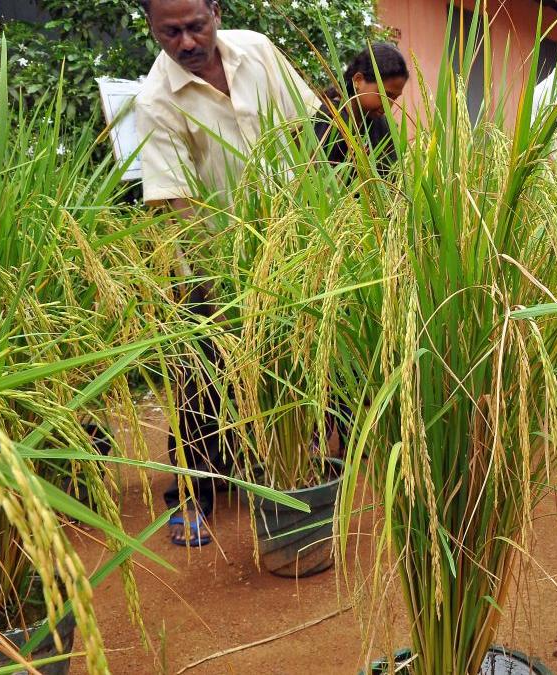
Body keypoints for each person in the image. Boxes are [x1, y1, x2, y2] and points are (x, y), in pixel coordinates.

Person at [134, 0, 321, 547]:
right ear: (153, 29)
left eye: (196, 26)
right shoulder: (156, 101)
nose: (187, 42)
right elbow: (175, 204)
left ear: (215, 11)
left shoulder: (258, 52)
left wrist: (314, 225)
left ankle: (283, 462)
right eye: (171, 32)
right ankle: (192, 494)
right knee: (200, 377)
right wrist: (210, 286)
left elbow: (305, 140)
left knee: (290, 362)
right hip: (208, 261)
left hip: (289, 243)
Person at [315, 42, 409, 170]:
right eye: (384, 95)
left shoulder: (384, 127)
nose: (389, 105)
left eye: (394, 98)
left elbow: (392, 176)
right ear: (358, 81)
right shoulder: (328, 118)